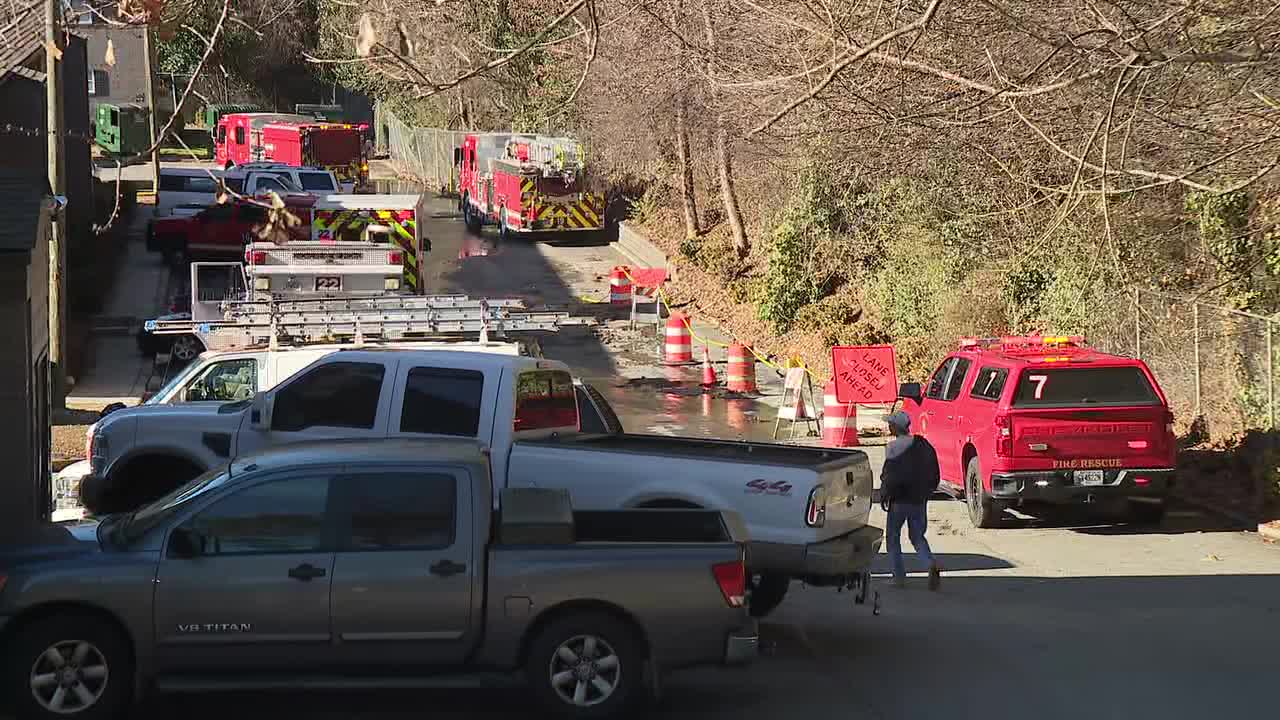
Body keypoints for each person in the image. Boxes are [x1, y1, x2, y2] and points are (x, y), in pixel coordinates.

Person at [879, 410, 942, 590]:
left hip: (899, 500)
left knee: (893, 537)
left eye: (890, 424)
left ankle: (899, 577)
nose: (888, 427)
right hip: (919, 499)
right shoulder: (923, 445)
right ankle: (930, 563)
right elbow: (934, 472)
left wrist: (884, 495)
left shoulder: (893, 448)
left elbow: (888, 476)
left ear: (894, 427)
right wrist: (928, 491)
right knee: (917, 536)